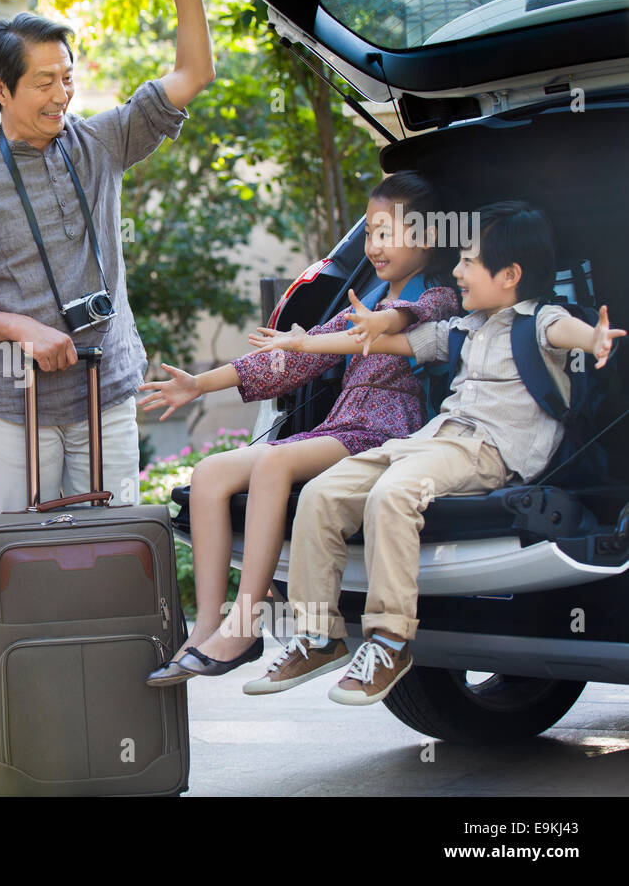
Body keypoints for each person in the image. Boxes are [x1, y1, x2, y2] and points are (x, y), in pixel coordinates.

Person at [248, 200, 624, 703]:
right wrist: (304, 347)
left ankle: (390, 638)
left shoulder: (540, 321)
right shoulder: (464, 330)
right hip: (436, 441)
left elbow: (567, 333)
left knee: (393, 495)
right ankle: (319, 636)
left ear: (510, 274)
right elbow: (383, 345)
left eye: (469, 260)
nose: (456, 270)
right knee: (322, 493)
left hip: (488, 450)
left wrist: (596, 338)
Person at [0, 0, 216, 514]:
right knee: (33, 564)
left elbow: (195, 72)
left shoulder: (100, 141)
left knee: (112, 548)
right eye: (44, 82)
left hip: (108, 389)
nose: (63, 95)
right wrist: (20, 328)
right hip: (13, 402)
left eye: (68, 77)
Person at [137, 172, 461, 687]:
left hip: (384, 432)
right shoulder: (369, 297)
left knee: (274, 459)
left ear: (425, 237)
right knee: (210, 474)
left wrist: (377, 322)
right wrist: (198, 384)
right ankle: (207, 626)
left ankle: (246, 624)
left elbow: (409, 316)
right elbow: (285, 361)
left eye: (388, 233)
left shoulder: (437, 297)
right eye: (371, 232)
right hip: (341, 426)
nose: (375, 246)